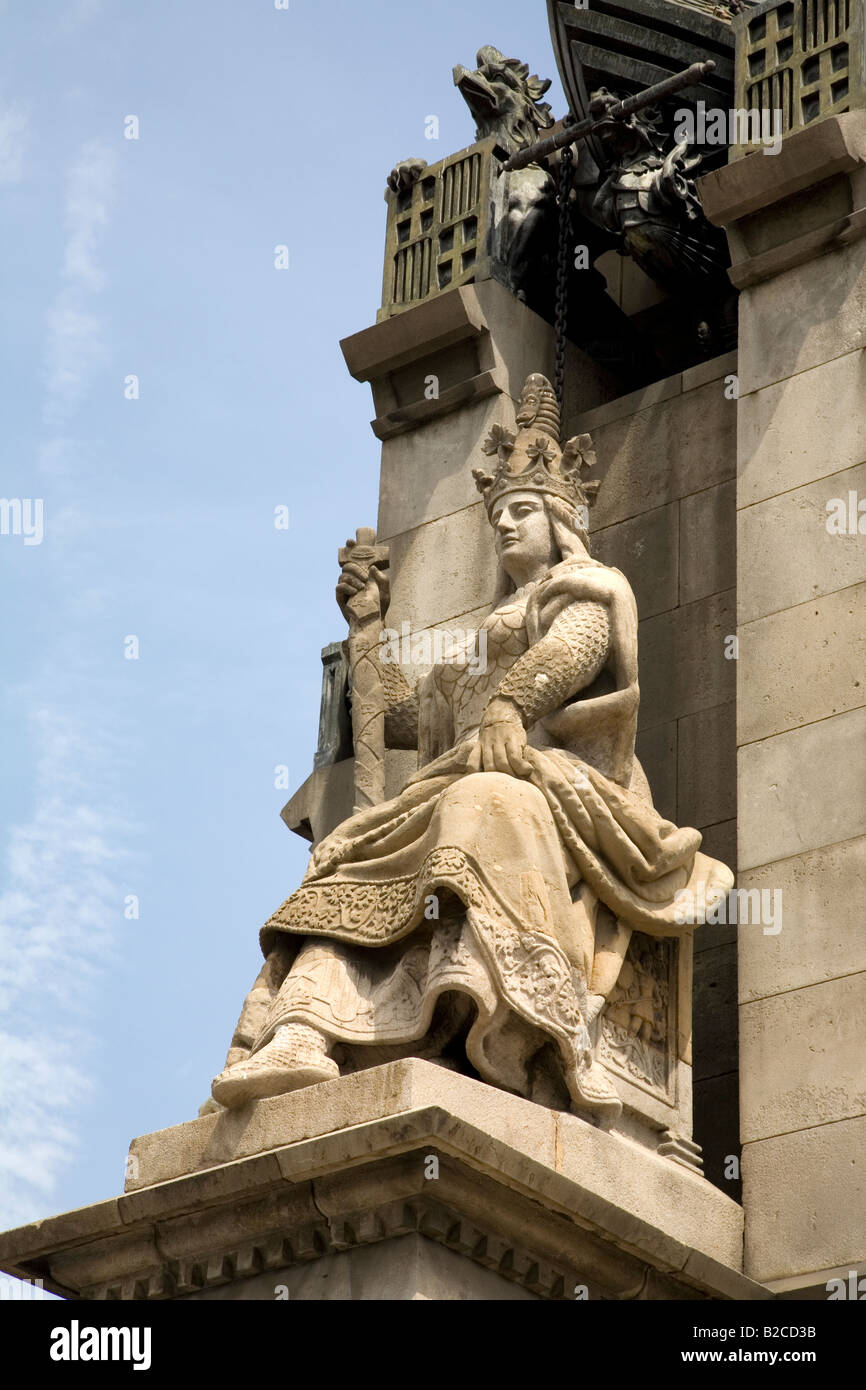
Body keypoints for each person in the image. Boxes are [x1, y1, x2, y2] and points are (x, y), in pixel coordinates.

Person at [211, 373, 732, 1122]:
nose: (506, 526)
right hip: (470, 774)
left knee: (480, 803)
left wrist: (512, 706)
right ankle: (306, 1031)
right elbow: (407, 715)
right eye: (498, 516)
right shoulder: (479, 640)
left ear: (560, 519)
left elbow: (574, 654)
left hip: (562, 785)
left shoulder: (587, 588)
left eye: (523, 511)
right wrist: (368, 628)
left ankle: (482, 1022)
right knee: (350, 851)